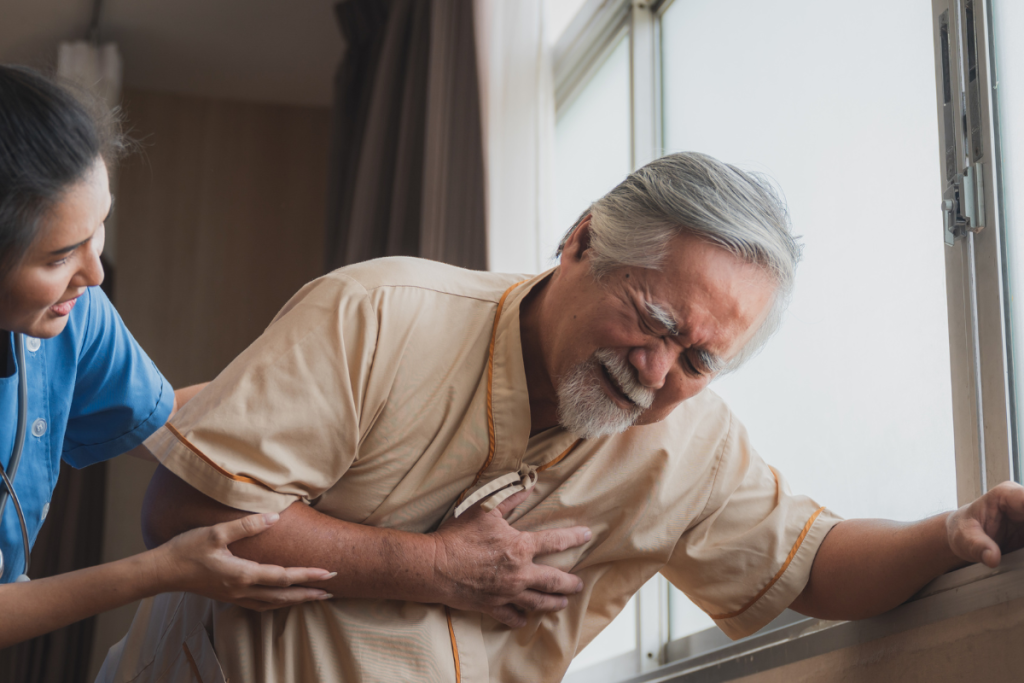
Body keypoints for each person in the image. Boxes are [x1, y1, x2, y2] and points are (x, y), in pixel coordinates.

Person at [98, 153, 1024, 683]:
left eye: (699, 359)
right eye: (653, 321)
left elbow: (812, 563)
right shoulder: (376, 313)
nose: (657, 372)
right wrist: (434, 568)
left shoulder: (692, 445)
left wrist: (951, 533)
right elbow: (186, 519)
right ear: (581, 240)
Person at [0, 65, 336, 649]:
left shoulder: (74, 313)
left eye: (98, 228)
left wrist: (336, 403)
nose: (96, 274)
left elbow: (168, 425)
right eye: (58, 258)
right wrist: (161, 571)